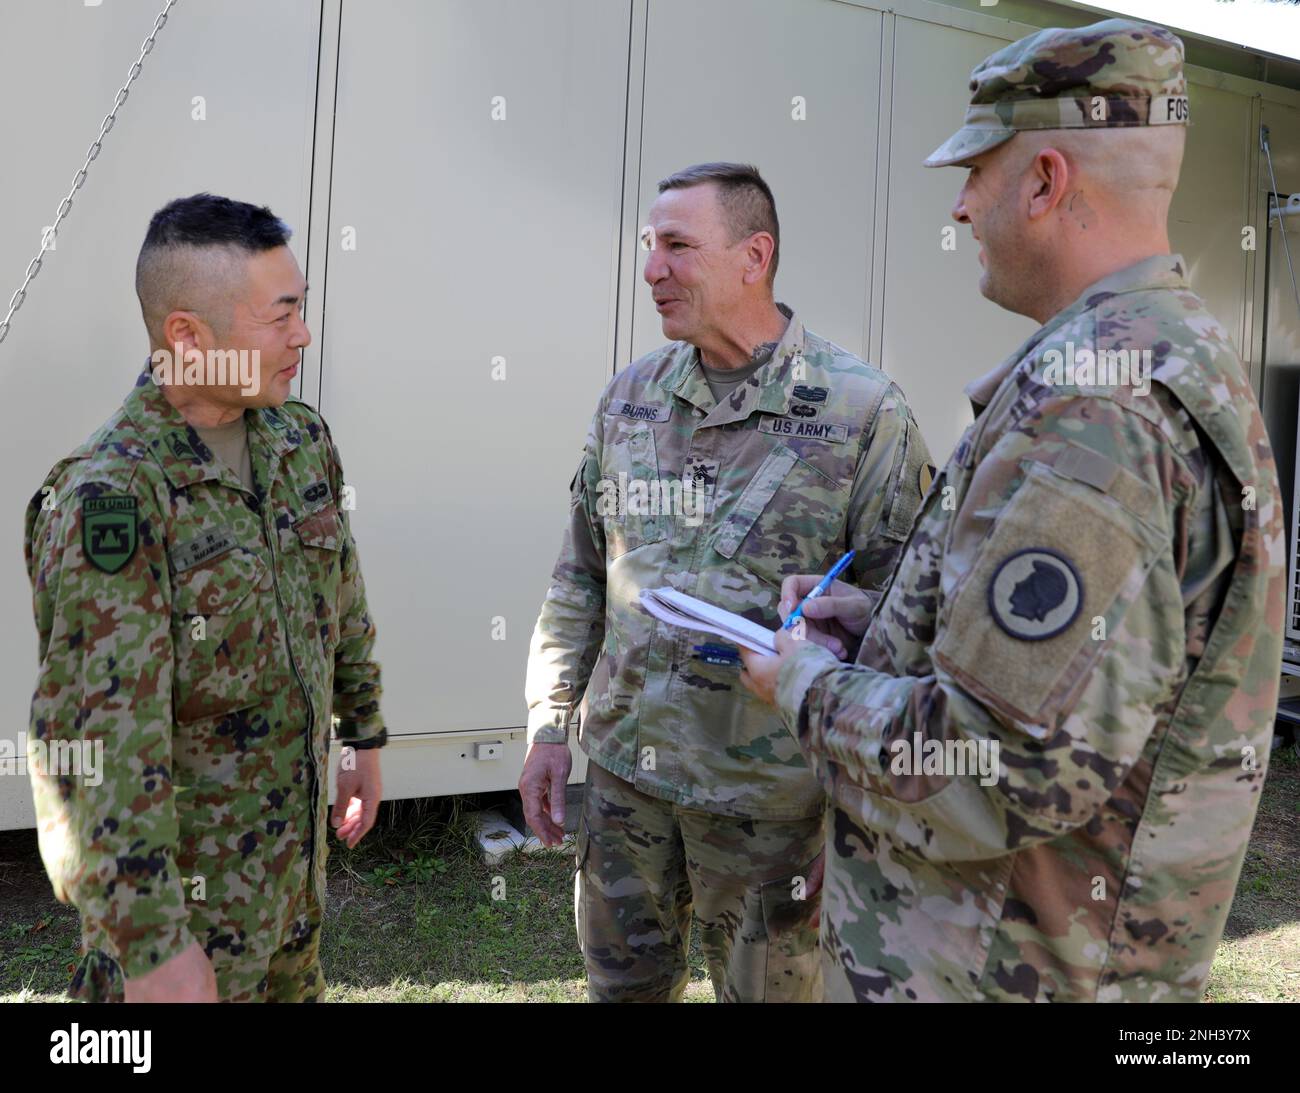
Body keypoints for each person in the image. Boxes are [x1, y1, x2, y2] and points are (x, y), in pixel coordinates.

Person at [740, 19, 1285, 1003]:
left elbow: (991, 767)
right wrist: (886, 621)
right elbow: (1101, 665)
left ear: (1042, 181)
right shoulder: (1152, 355)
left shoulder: (1098, 411)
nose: (956, 207)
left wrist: (806, 684)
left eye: (973, 172)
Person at [521, 162, 932, 1001]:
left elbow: (909, 628)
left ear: (754, 256)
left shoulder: (861, 413)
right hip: (626, 794)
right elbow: (580, 576)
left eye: (677, 246)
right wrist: (549, 724)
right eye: (649, 246)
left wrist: (864, 816)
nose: (651, 270)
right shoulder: (630, 399)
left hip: (772, 812)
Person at [25, 193, 386, 1002]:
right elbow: (93, 744)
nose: (302, 335)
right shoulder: (112, 499)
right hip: (185, 931)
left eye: (302, 310)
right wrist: (153, 947)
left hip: (290, 897)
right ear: (188, 336)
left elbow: (341, 595)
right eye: (280, 315)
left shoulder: (298, 439)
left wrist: (360, 732)